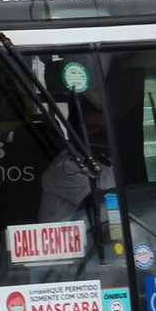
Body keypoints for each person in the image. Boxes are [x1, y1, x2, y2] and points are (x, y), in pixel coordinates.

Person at [36, 82, 116, 223]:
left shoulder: (105, 162)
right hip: (63, 244)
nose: (101, 134)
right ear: (75, 132)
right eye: (95, 128)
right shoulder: (65, 169)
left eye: (104, 127)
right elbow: (105, 205)